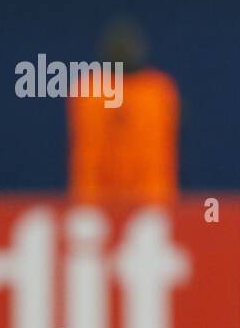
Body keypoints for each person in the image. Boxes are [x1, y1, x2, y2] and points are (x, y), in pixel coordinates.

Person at [69, 18, 180, 204]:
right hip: (95, 199)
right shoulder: (88, 90)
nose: (124, 52)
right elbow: (87, 155)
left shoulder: (158, 90)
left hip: (152, 199)